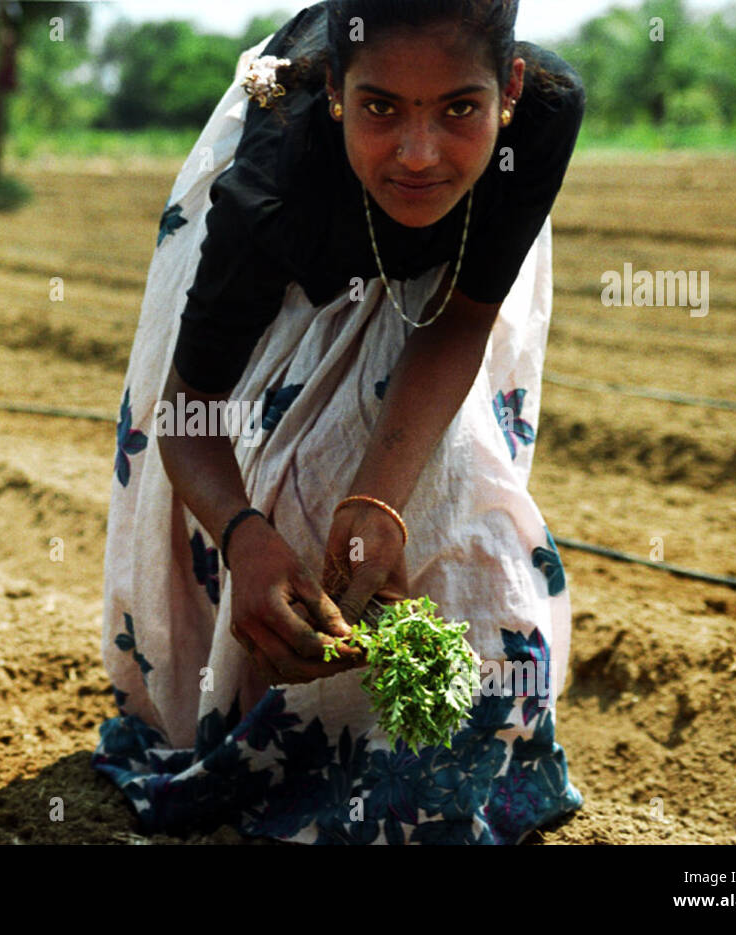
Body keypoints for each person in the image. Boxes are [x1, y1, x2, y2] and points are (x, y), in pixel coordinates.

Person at [93, 0, 586, 844]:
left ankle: (445, 759)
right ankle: (284, 742)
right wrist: (244, 535)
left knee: (449, 477)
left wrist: (381, 502)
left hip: (441, 251)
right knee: (299, 485)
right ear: (336, 93)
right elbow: (189, 407)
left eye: (459, 109)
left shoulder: (538, 118)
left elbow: (461, 321)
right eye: (382, 107)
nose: (419, 153)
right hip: (306, 223)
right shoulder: (270, 188)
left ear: (507, 89)